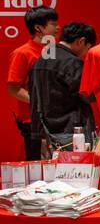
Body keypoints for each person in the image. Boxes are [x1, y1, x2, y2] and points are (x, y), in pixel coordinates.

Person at [26, 21, 96, 153]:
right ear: (81, 41)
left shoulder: (40, 60)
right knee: (76, 171)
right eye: (88, 47)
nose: (87, 52)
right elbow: (87, 94)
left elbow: (33, 96)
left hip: (44, 132)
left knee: (51, 171)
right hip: (71, 131)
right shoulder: (72, 63)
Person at [7, 6, 60, 160]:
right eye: (53, 24)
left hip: (57, 119)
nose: (58, 27)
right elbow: (13, 89)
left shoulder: (54, 51)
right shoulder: (22, 53)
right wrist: (40, 101)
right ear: (38, 27)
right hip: (33, 121)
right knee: (36, 166)